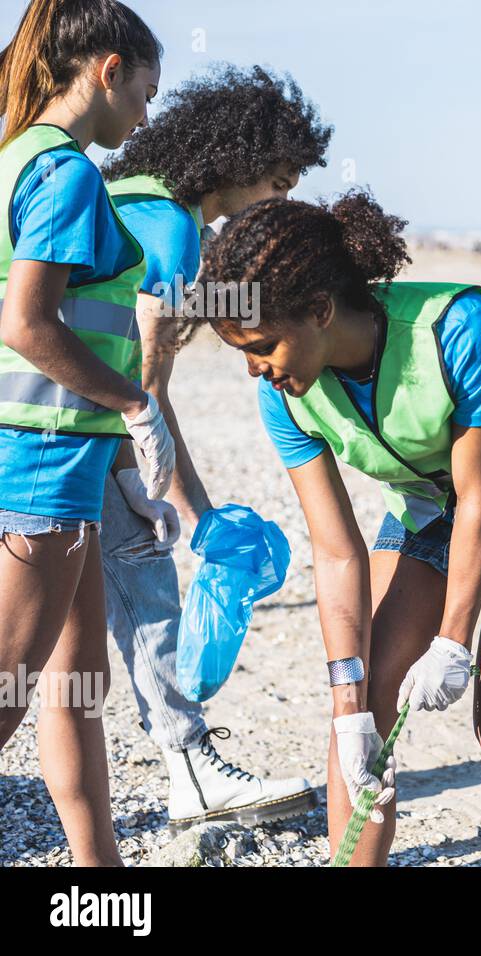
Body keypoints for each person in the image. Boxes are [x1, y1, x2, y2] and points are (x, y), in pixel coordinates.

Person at [179, 191, 481, 866]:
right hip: (428, 509)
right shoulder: (281, 390)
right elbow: (337, 550)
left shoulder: (463, 328)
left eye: (261, 346)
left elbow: (480, 503)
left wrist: (454, 643)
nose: (256, 368)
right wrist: (347, 711)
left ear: (319, 311)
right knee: (364, 710)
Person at [94, 64, 333, 834]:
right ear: (236, 163)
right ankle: (191, 769)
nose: (281, 201)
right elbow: (144, 392)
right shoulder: (169, 232)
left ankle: (153, 786)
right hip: (72, 431)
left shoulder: (125, 193)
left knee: (52, 638)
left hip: (43, 418)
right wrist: (178, 510)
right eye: (279, 181)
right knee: (144, 578)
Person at [0, 0, 169, 866]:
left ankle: (100, 886)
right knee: (11, 691)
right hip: (45, 458)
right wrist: (136, 406)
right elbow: (29, 324)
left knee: (74, 687)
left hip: (50, 455)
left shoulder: (9, 154)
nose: (145, 116)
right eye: (144, 92)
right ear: (106, 71)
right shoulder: (64, 173)